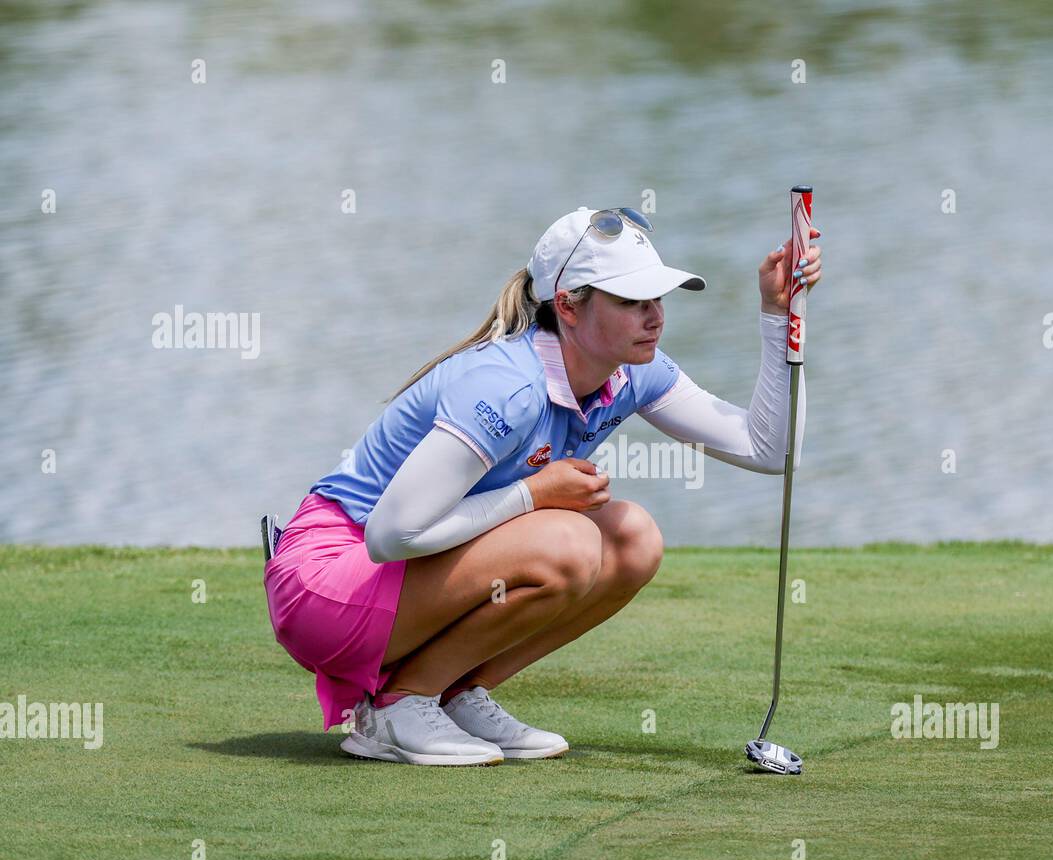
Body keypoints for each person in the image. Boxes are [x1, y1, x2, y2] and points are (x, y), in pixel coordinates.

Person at [263, 205, 823, 766]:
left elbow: (771, 450)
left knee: (634, 539)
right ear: (569, 308)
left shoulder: (634, 371)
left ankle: (450, 692)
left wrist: (778, 317)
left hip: (400, 577)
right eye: (631, 302)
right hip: (325, 584)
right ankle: (397, 708)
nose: (654, 317)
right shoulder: (507, 386)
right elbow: (390, 535)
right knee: (568, 542)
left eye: (658, 299)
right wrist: (534, 495)